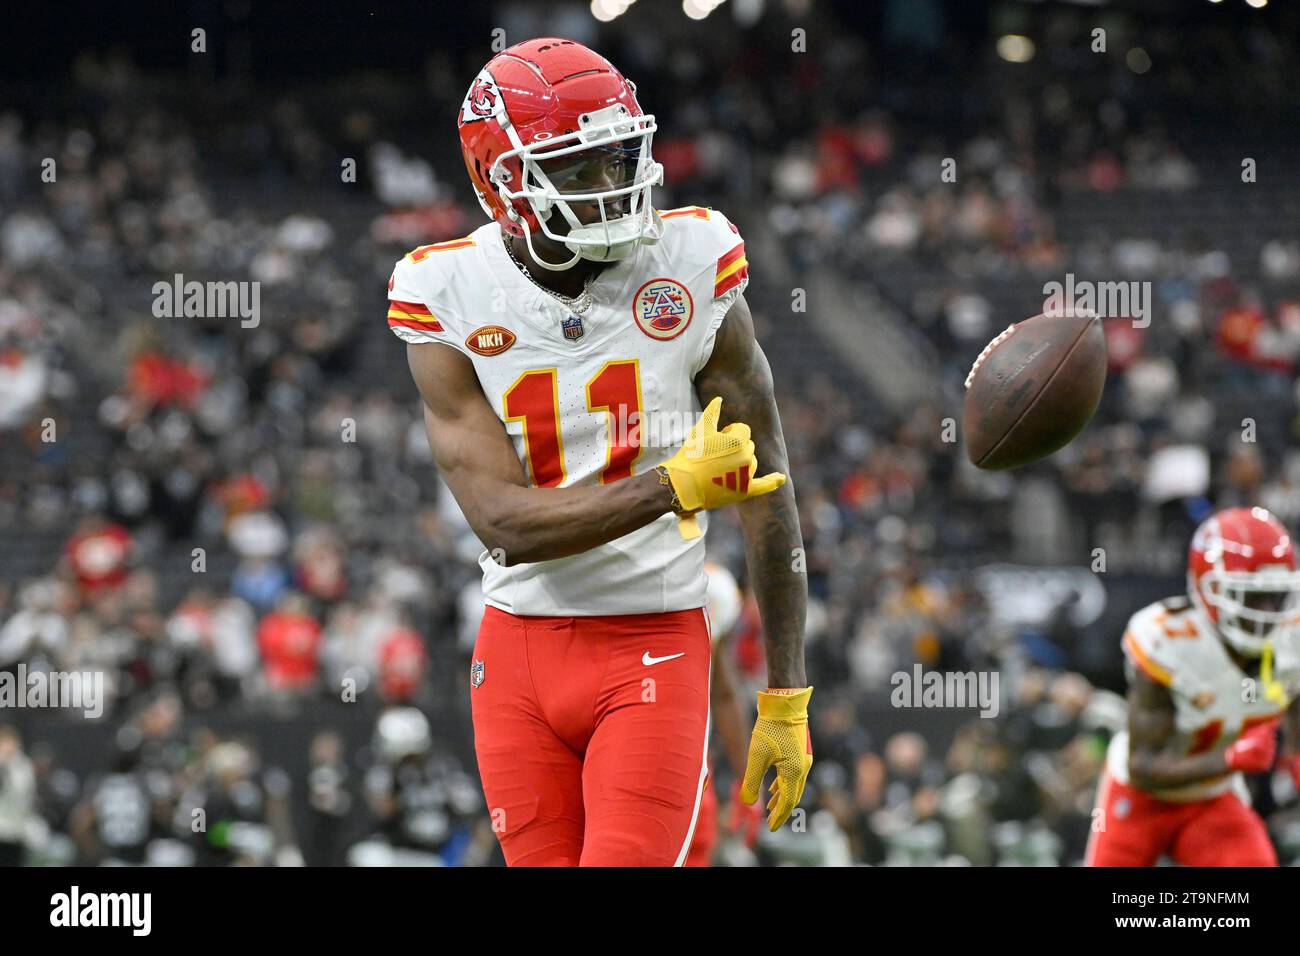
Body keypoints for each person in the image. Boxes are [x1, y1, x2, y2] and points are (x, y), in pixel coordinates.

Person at [388, 38, 812, 866]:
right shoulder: (446, 293)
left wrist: (788, 694)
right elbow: (505, 523)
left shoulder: (690, 263)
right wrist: (671, 487)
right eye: (577, 169)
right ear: (502, 182)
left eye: (619, 157)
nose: (613, 185)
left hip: (653, 636)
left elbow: (768, 484)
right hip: (517, 651)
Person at [1086, 507, 1300, 866]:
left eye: (1274, 596)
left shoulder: (1291, 640)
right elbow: (1144, 765)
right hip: (1140, 797)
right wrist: (1229, 758)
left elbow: (1295, 737)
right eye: (1251, 597)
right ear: (1208, 588)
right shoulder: (1167, 640)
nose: (1265, 612)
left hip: (1211, 799)